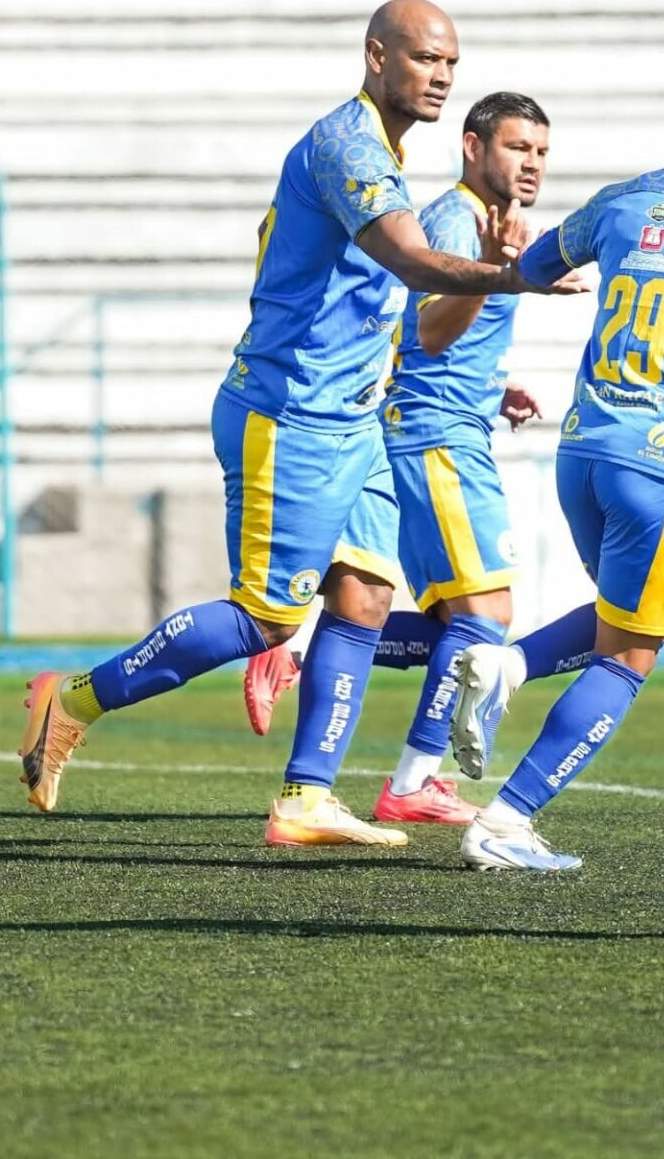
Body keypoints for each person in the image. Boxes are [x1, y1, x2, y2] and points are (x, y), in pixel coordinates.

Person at [17, 0, 578, 848]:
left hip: (349, 416)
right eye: (427, 59)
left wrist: (465, 376)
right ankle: (73, 699)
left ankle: (305, 796)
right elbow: (407, 260)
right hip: (289, 412)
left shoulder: (379, 153)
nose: (441, 77)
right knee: (267, 619)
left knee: (362, 597)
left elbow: (373, 296)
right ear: (376, 55)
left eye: (451, 65)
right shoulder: (350, 144)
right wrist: (517, 277)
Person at [452, 60, 664, 871]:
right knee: (630, 654)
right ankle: (505, 819)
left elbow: (530, 270)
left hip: (584, 452)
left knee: (617, 618)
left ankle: (512, 663)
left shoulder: (623, 197)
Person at [243, 91, 572, 828]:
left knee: (455, 619)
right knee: (486, 617)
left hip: (452, 424)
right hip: (433, 438)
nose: (531, 165)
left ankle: (295, 649)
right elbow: (428, 327)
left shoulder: (472, 222)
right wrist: (500, 274)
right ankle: (412, 780)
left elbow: (416, 333)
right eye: (517, 148)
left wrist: (495, 386)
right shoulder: (457, 219)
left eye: (541, 153)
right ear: (473, 147)